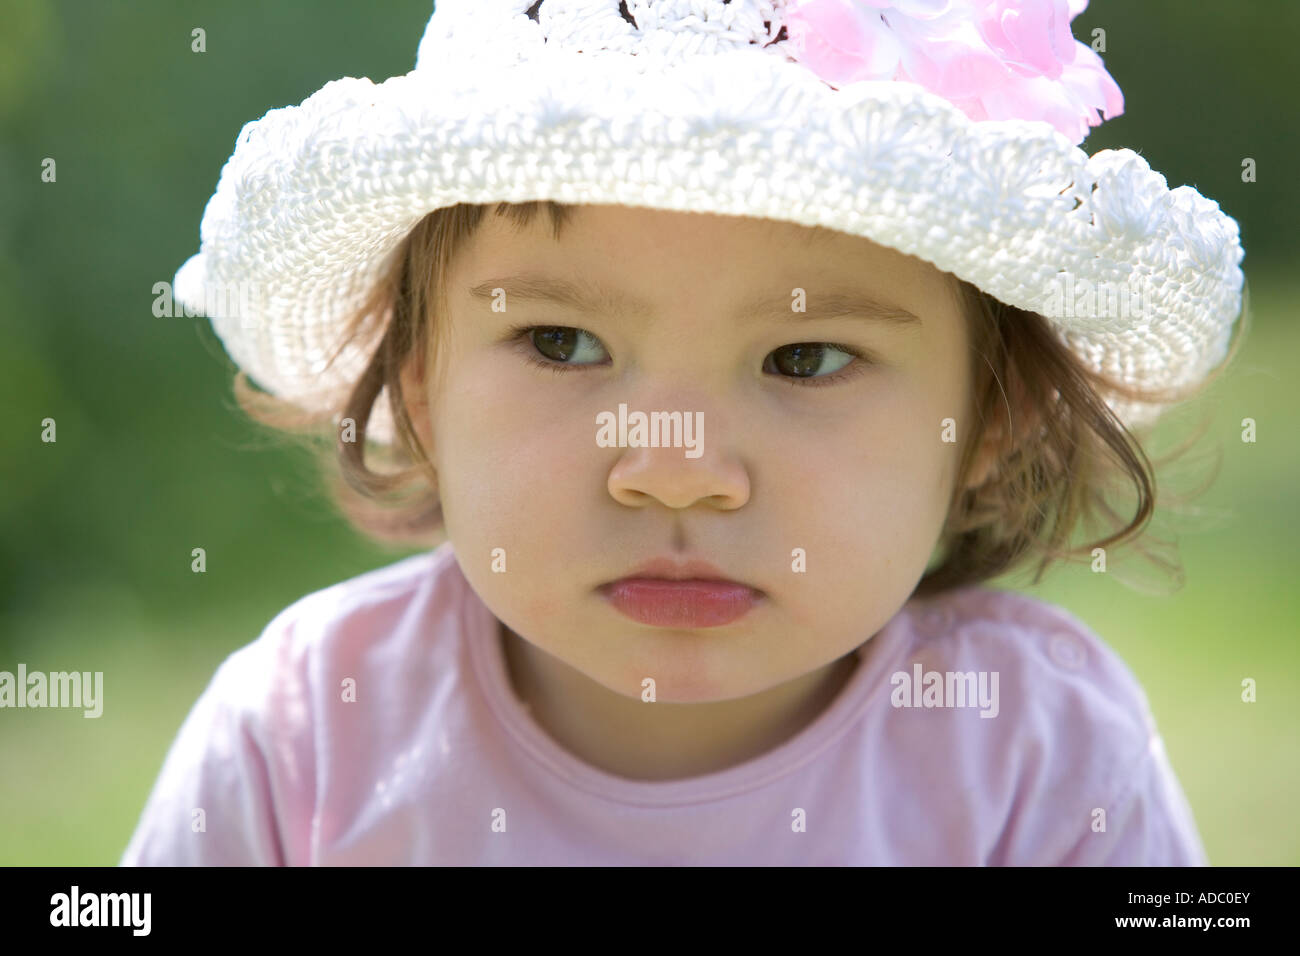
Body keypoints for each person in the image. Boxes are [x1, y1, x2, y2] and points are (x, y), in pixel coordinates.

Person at [120, 0, 1245, 865]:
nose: (676, 470)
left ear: (990, 420)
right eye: (560, 343)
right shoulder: (306, 733)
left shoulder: (1035, 753)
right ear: (421, 387)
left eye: (803, 358)